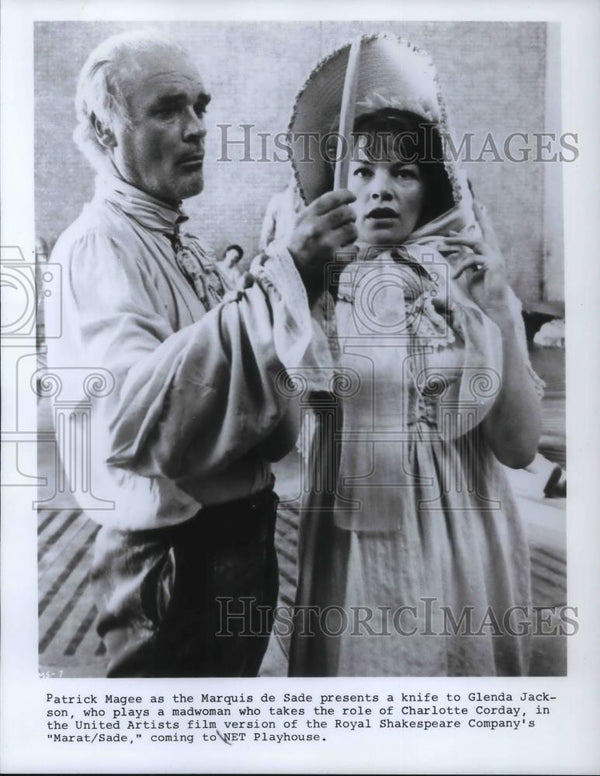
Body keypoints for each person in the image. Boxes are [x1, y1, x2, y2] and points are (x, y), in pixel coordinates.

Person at [46, 30, 356, 677]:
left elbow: (268, 433)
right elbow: (138, 420)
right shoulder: (100, 247)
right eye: (167, 109)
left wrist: (300, 296)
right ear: (104, 135)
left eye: (201, 107)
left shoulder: (182, 247)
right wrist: (279, 282)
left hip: (231, 546)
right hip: (172, 563)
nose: (196, 129)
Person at [287, 34, 544, 676]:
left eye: (402, 172)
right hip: (357, 545)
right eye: (363, 170)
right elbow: (278, 435)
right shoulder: (318, 289)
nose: (381, 188)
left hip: (462, 532)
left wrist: (502, 311)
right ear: (340, 185)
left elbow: (516, 448)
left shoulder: (468, 287)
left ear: (426, 188)